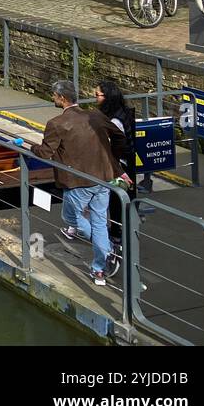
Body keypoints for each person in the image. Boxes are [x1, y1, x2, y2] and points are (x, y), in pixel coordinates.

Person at [28, 80, 125, 286]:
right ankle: (99, 269)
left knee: (71, 217)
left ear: (62, 98)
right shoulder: (95, 115)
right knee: (99, 221)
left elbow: (45, 153)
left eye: (54, 96)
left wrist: (32, 147)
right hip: (102, 178)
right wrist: (112, 161)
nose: (53, 98)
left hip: (77, 181)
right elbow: (119, 136)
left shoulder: (57, 123)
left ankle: (107, 251)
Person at [96, 80, 137, 252]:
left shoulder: (114, 120)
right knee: (116, 200)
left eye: (97, 95)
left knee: (114, 200)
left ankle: (116, 235)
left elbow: (114, 145)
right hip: (124, 164)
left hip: (119, 167)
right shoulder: (124, 112)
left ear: (107, 97)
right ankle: (116, 231)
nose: (95, 99)